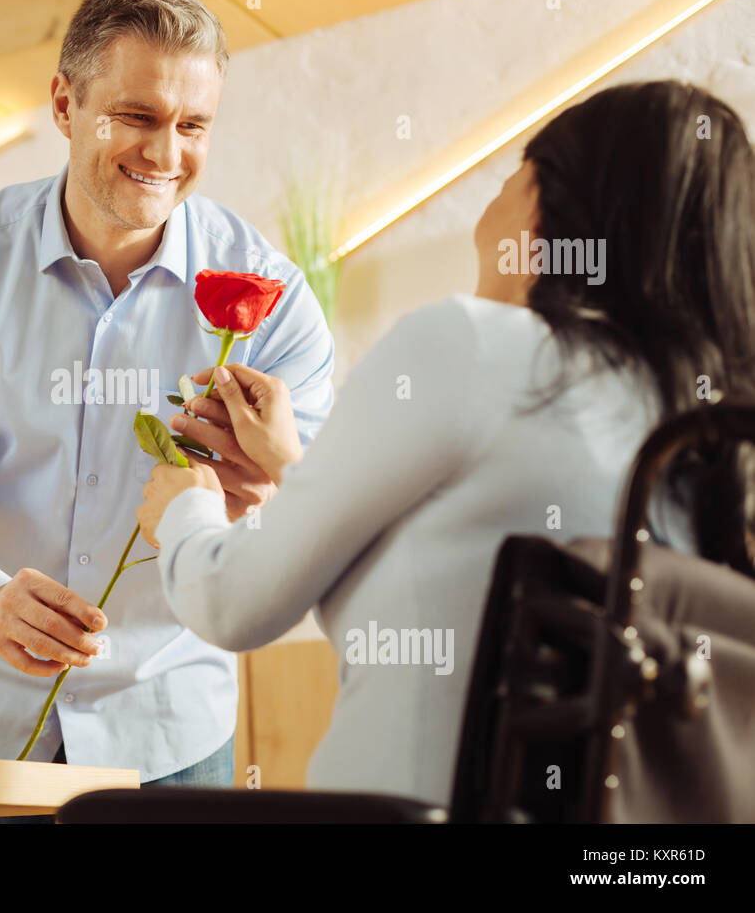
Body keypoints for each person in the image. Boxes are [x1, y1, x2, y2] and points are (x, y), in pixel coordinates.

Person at [137, 80, 755, 805]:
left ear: (541, 205)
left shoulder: (475, 343)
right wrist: (292, 469)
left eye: (510, 177)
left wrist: (186, 510)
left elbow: (231, 602)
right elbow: (456, 608)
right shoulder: (714, 440)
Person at [0, 0, 336, 822]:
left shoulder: (273, 299)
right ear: (65, 106)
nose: (166, 154)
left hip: (170, 734)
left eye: (193, 126)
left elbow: (327, 511)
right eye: (137, 117)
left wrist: (269, 489)